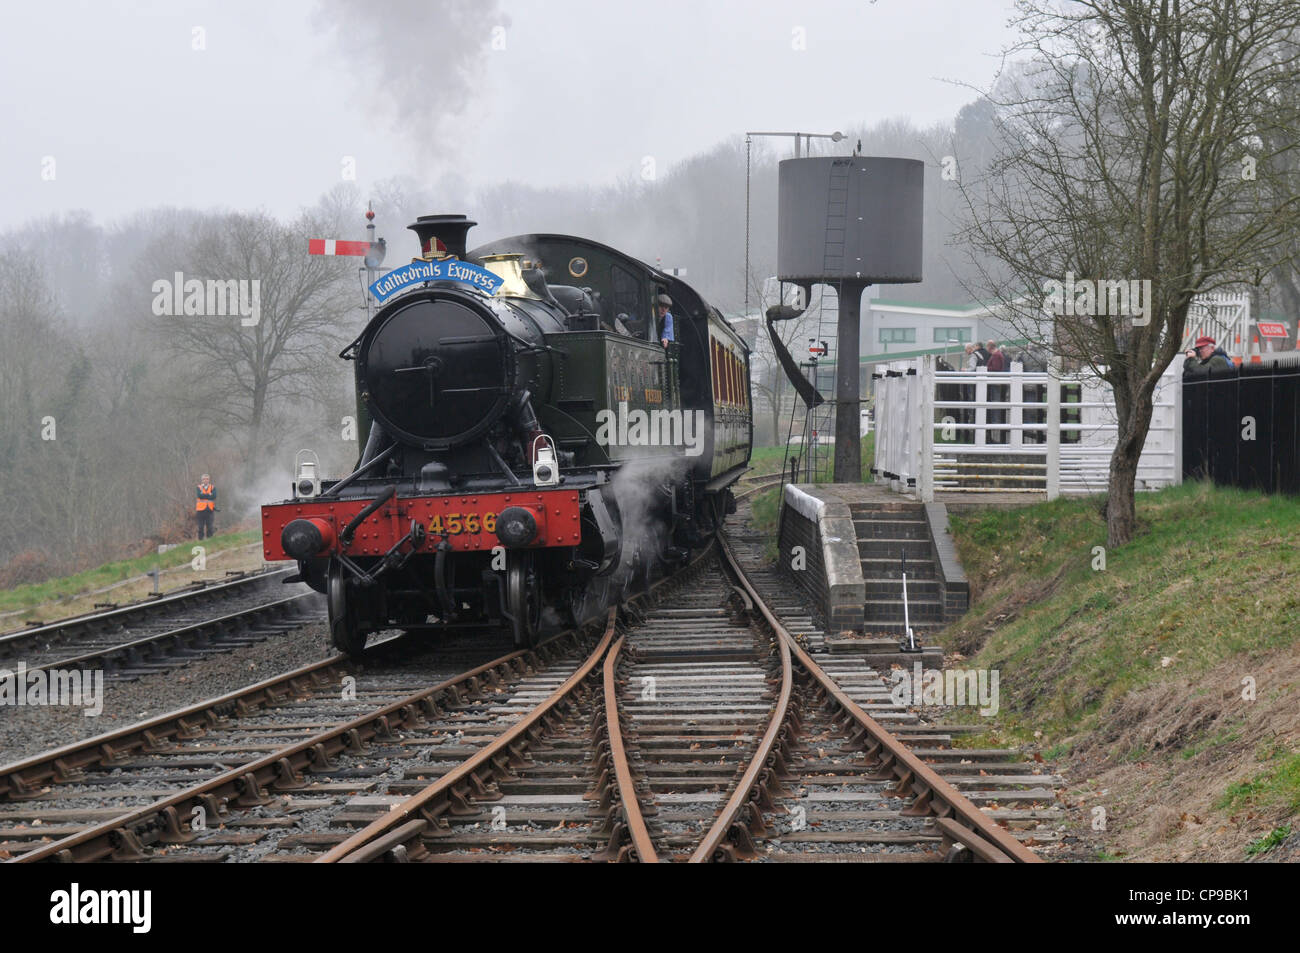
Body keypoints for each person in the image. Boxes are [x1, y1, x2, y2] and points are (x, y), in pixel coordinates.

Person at [195, 473, 217, 540]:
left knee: (210, 527)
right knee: (200, 527)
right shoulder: (199, 487)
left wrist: (204, 495)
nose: (205, 480)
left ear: (209, 480)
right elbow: (199, 496)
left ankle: (210, 540)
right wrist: (209, 495)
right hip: (200, 510)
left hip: (210, 510)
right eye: (204, 479)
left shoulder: (213, 487)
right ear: (202, 480)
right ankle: (200, 541)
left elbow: (214, 496)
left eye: (207, 479)